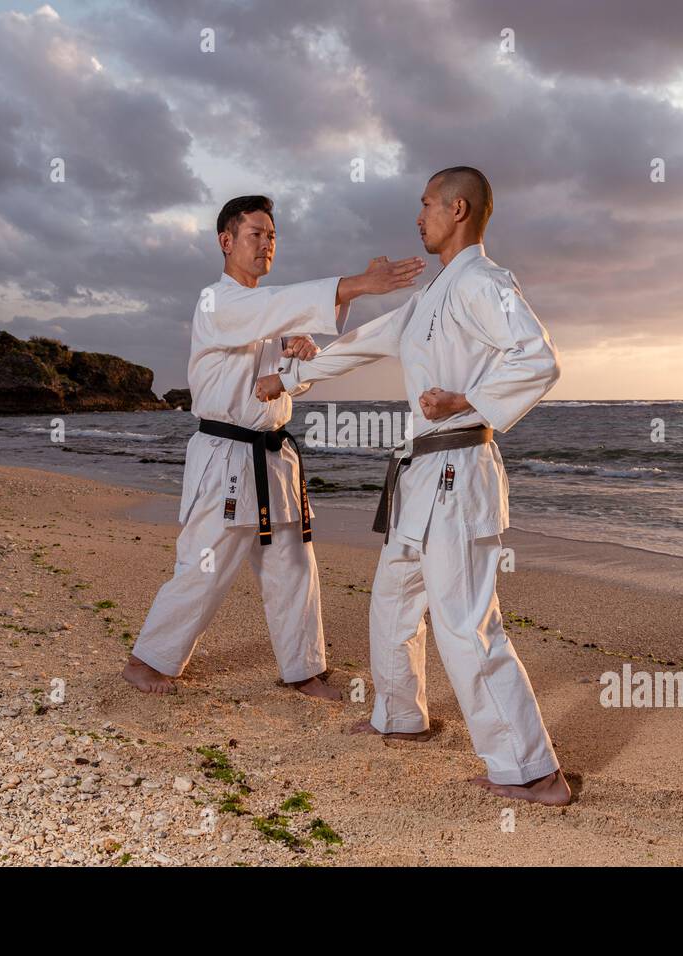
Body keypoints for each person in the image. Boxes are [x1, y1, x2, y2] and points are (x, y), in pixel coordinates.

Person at [257, 169, 571, 804]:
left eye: (426, 204)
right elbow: (360, 345)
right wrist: (288, 377)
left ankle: (531, 771)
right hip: (421, 477)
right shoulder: (432, 295)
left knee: (465, 623)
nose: (418, 215)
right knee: (393, 603)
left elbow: (538, 358)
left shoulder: (485, 282)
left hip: (459, 471)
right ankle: (401, 718)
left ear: (458, 209)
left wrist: (466, 398)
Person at [122, 194, 424, 699]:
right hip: (226, 458)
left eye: (272, 236)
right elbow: (271, 309)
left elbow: (289, 375)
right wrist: (358, 285)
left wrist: (299, 355)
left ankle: (303, 670)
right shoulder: (216, 301)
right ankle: (147, 661)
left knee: (293, 565)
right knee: (205, 563)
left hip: (275, 456)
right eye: (255, 234)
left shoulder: (271, 316)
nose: (266, 244)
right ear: (226, 241)